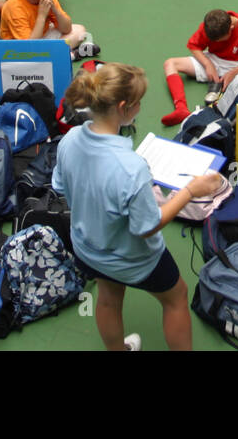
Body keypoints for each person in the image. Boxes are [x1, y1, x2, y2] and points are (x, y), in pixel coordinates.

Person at [53, 64, 223, 350]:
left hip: (88, 249)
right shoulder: (131, 168)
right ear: (123, 107)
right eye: (139, 101)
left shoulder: (69, 139)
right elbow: (148, 226)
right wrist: (191, 190)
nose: (141, 106)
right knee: (176, 298)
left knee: (108, 298)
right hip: (134, 259)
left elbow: (61, 187)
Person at [161, 8, 238, 121]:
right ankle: (181, 108)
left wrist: (233, 72)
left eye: (220, 40)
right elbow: (194, 46)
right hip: (213, 59)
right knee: (170, 63)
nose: (217, 43)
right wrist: (208, 64)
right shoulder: (209, 25)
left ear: (231, 29)